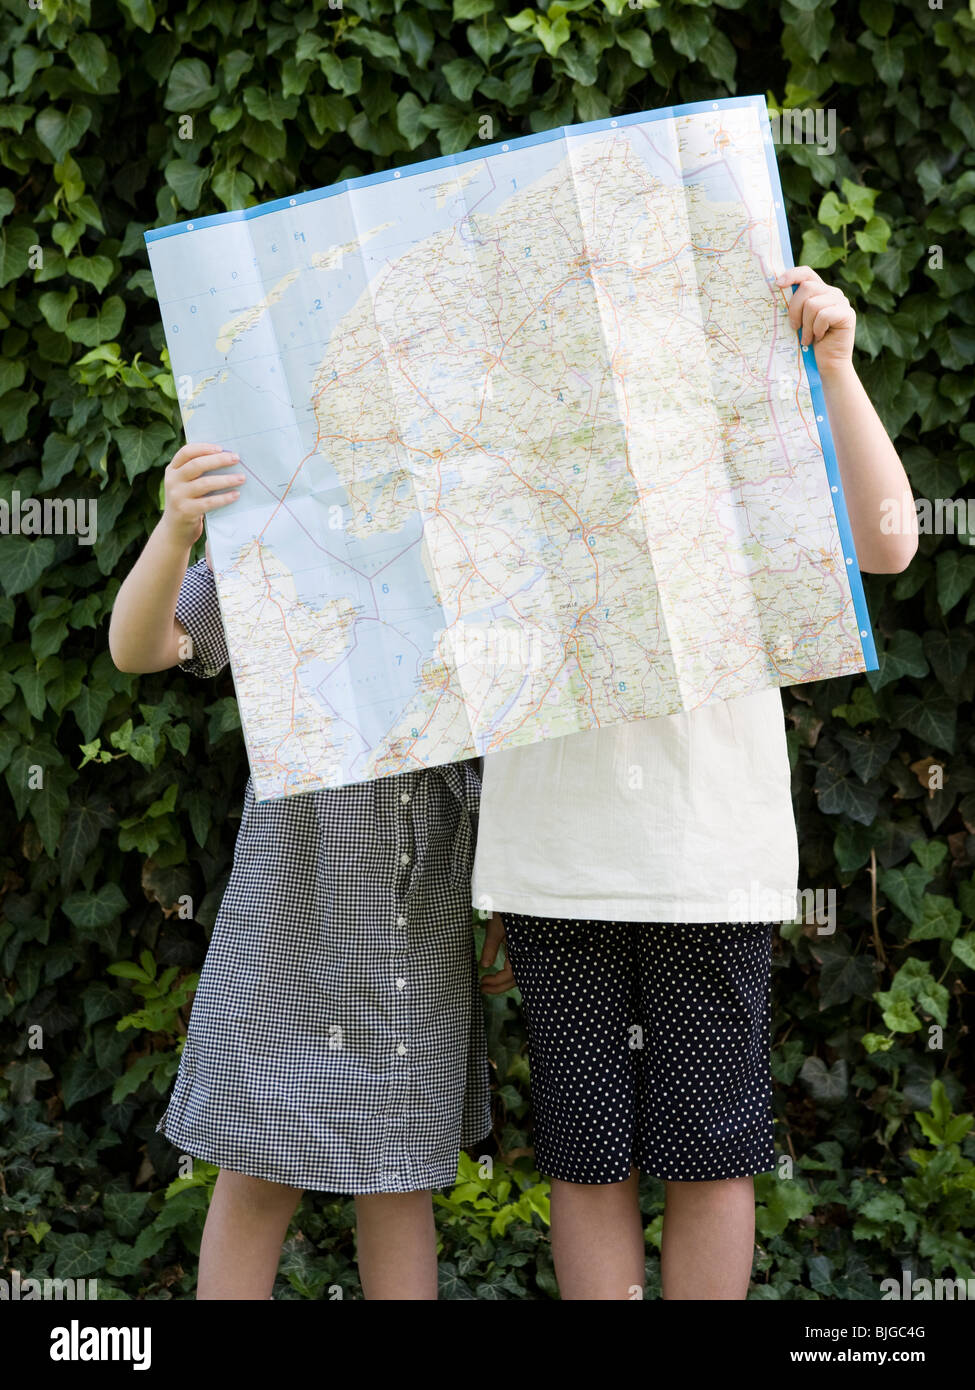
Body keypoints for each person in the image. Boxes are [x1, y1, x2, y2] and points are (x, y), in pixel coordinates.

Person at [474, 265, 919, 1300]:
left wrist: (837, 371)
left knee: (713, 1149)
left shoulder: (743, 449)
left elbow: (889, 540)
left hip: (701, 854)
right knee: (588, 1154)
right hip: (560, 862)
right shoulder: (512, 451)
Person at [108, 443, 491, 1301]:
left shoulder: (472, 535)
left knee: (397, 1181)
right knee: (256, 1170)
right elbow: (140, 647)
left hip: (413, 920)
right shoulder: (278, 533)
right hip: (292, 910)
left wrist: (500, 896)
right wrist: (176, 529)